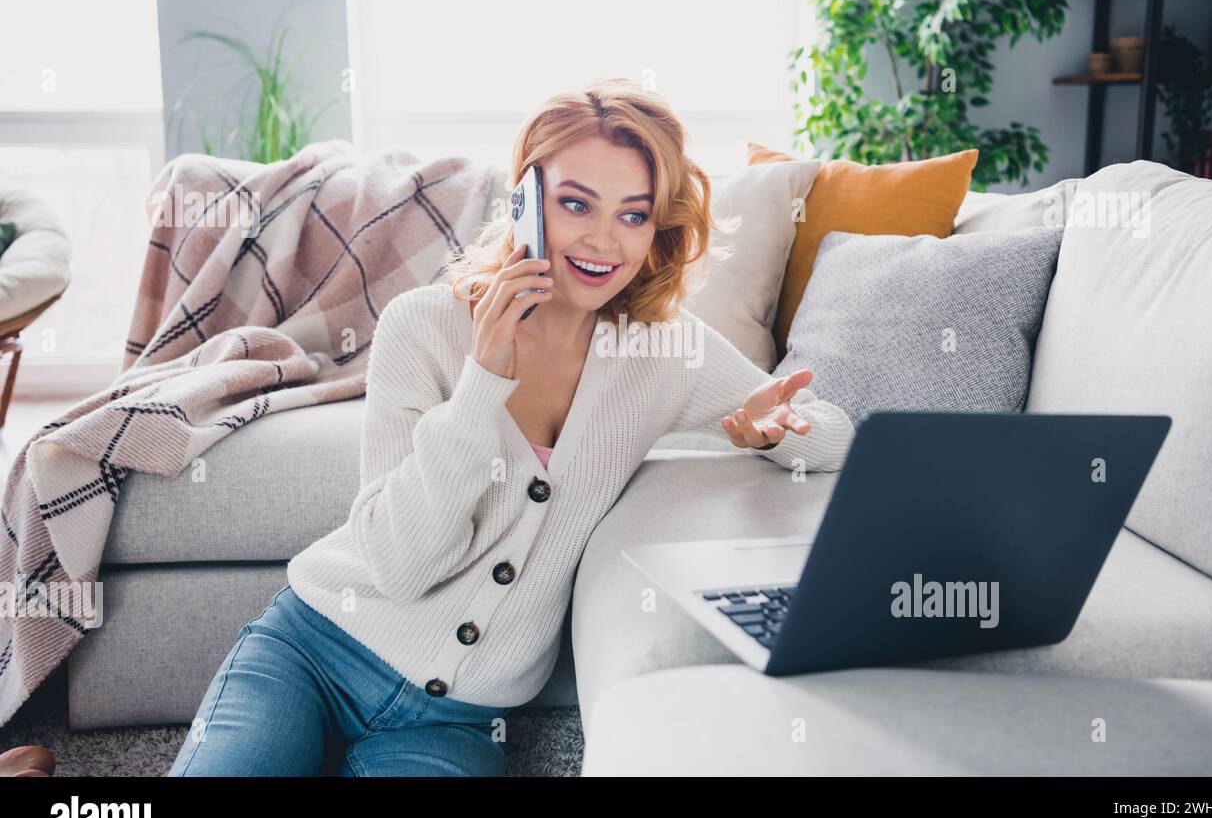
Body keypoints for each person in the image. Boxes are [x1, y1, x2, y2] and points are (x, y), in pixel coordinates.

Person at [167, 77, 856, 776]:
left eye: (633, 215)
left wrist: (775, 432)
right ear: (526, 200)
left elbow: (831, 437)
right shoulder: (424, 326)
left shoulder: (665, 354)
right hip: (315, 647)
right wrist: (481, 385)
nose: (602, 239)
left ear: (656, 233)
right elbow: (400, 568)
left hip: (457, 721)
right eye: (575, 203)